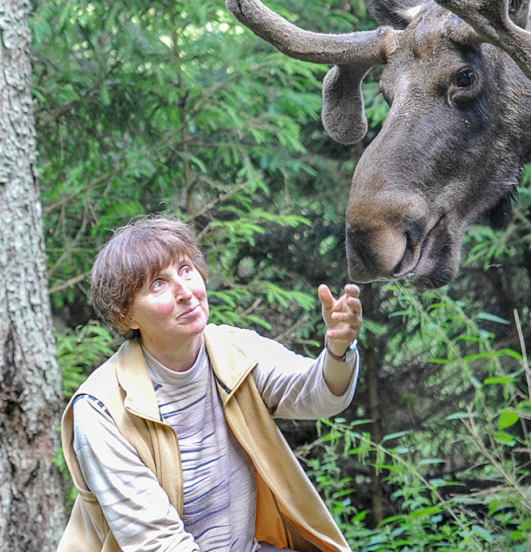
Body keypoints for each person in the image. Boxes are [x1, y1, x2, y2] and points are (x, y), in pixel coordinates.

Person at [58, 216, 360, 552]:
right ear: (126, 315)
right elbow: (158, 544)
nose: (186, 292)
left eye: (186, 270)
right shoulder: (101, 410)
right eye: (158, 284)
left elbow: (317, 394)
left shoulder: (234, 351)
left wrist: (338, 351)